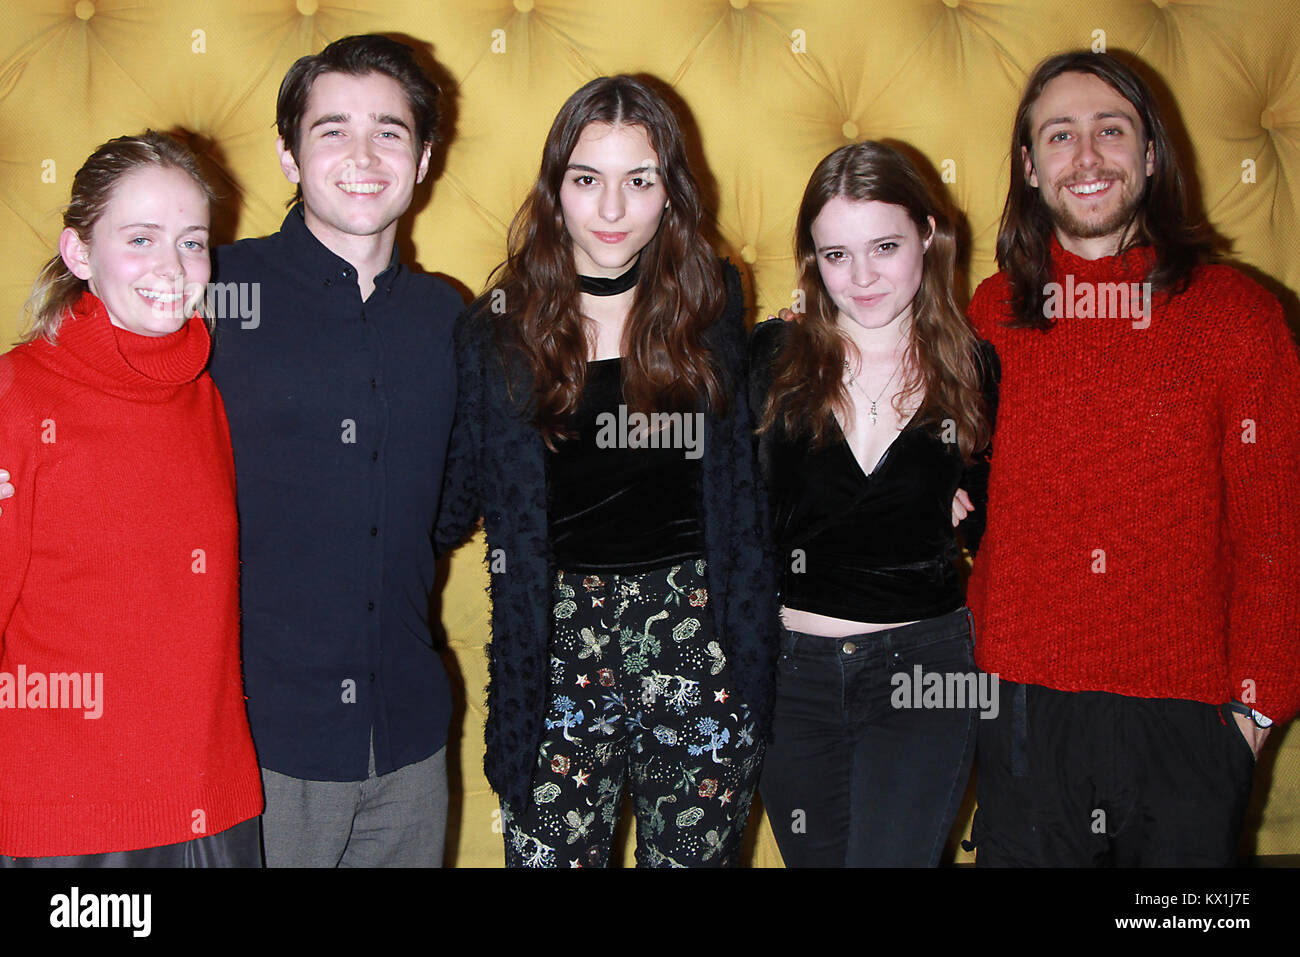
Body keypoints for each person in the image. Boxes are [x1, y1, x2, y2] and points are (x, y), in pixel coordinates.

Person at [966, 50, 1300, 867]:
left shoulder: (1239, 318)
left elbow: (1277, 531)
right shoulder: (990, 313)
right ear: (1030, 167)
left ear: (1150, 156)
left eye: (1110, 131)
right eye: (1060, 135)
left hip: (1187, 720)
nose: (1085, 157)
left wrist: (1254, 714)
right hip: (1018, 708)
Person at [435, 75, 779, 868]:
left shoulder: (713, 300)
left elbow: (753, 469)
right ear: (556, 188)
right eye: (588, 179)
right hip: (557, 647)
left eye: (640, 180)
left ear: (672, 192)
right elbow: (449, 504)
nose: (613, 209)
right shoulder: (494, 332)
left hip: (701, 637)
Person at [206, 35, 461, 867]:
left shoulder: (448, 320)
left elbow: (465, 493)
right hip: (260, 747)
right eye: (331, 130)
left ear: (422, 159)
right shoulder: (213, 293)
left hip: (413, 745)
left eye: (390, 131)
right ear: (287, 154)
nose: (363, 155)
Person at [0, 131, 262, 866]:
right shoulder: (15, 401)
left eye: (192, 242)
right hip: (66, 829)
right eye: (140, 238)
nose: (172, 270)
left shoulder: (203, 397)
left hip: (215, 808)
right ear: (80, 253)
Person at [750, 141, 997, 867]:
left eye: (884, 246)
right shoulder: (771, 356)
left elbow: (1008, 502)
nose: (860, 278)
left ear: (928, 233)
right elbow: (726, 509)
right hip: (791, 674)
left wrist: (967, 497)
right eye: (835, 256)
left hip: (923, 668)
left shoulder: (976, 365)